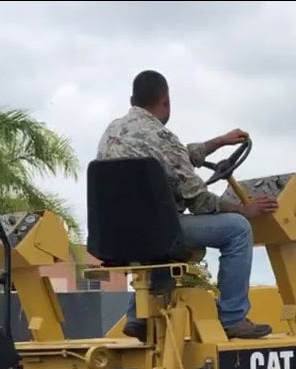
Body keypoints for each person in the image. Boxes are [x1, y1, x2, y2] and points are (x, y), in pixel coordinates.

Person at [96, 69, 279, 340]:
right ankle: (232, 318)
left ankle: (138, 318)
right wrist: (244, 210)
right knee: (238, 230)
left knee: (160, 239)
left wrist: (218, 142)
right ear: (166, 101)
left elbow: (174, 156)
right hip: (157, 232)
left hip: (114, 235)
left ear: (132, 99)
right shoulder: (162, 139)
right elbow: (200, 202)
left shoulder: (112, 132)